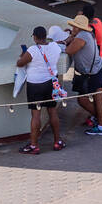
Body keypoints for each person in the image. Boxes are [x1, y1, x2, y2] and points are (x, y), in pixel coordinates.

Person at [15, 26, 64, 154]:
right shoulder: (54, 47)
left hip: (35, 85)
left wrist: (22, 55)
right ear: (45, 36)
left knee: (35, 115)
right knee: (52, 111)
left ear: (35, 37)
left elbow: (20, 63)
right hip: (51, 84)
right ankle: (57, 142)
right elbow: (58, 49)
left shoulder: (32, 50)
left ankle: (34, 145)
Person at [65, 15, 102, 136]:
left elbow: (69, 51)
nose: (72, 27)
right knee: (96, 98)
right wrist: (71, 36)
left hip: (93, 73)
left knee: (84, 99)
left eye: (74, 26)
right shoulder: (85, 34)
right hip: (97, 69)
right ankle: (100, 121)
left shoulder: (81, 37)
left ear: (79, 28)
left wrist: (67, 40)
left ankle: (101, 125)